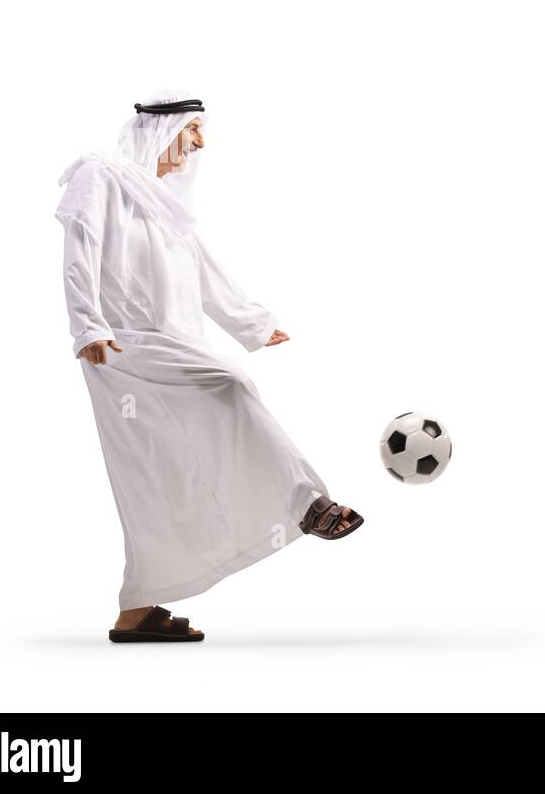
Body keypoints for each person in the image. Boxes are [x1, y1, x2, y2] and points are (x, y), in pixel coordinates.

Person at [56, 89, 363, 644]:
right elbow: (81, 244)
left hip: (170, 341)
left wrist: (252, 322)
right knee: (231, 382)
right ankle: (307, 501)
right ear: (163, 128)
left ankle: (137, 609)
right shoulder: (99, 175)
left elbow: (204, 270)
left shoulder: (165, 202)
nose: (201, 141)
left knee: (157, 475)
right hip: (122, 346)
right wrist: (88, 325)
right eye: (194, 129)